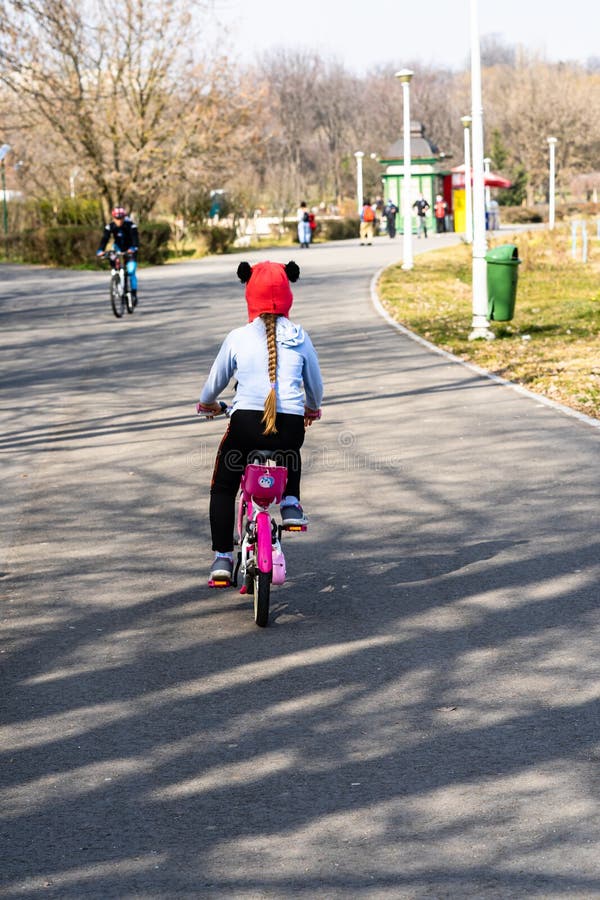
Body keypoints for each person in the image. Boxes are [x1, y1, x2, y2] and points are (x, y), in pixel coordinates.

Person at [197, 260, 323, 586]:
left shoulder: (238, 337)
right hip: (291, 425)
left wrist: (208, 403)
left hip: (246, 424)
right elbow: (315, 386)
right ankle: (291, 503)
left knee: (224, 486)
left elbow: (213, 385)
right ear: (287, 295)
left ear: (249, 294)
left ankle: (223, 559)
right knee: (288, 449)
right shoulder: (300, 336)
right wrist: (312, 409)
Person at [96, 207, 139, 304]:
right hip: (118, 248)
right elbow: (105, 238)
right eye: (116, 219)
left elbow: (135, 238)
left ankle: (134, 293)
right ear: (113, 218)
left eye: (121, 218)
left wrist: (134, 247)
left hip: (130, 249)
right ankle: (116, 278)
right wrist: (101, 250)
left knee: (131, 271)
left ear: (124, 217)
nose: (119, 221)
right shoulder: (110, 226)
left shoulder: (131, 225)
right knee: (112, 258)